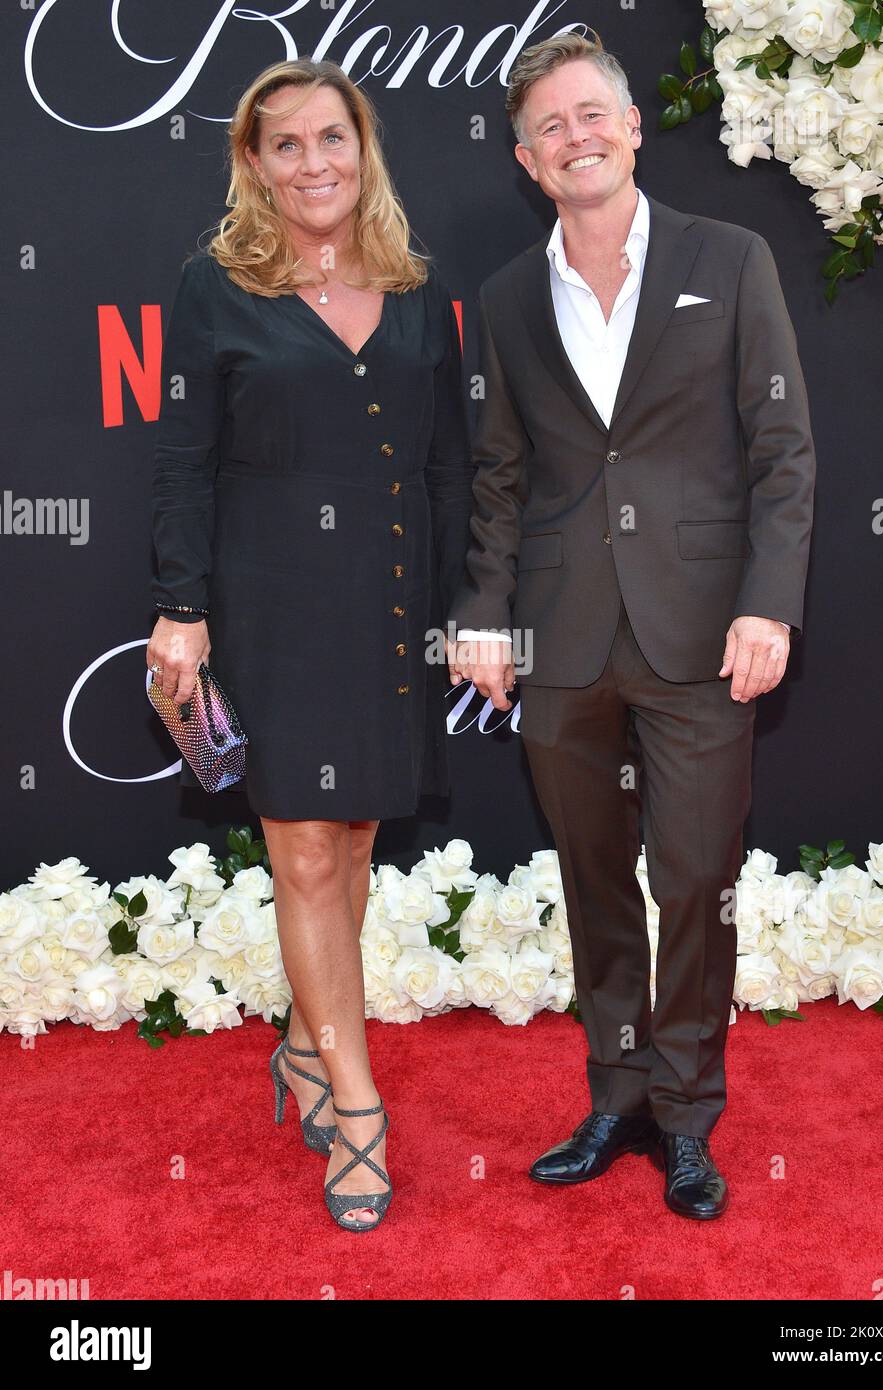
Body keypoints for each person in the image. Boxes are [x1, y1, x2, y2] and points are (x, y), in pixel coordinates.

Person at [447, 33, 815, 1220]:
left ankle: (689, 1112)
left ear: (633, 125)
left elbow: (782, 452)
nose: (577, 135)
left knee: (695, 877)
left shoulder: (733, 256)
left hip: (704, 630)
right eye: (550, 125)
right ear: (526, 158)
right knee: (595, 876)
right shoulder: (505, 298)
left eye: (593, 112)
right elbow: (496, 477)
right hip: (561, 640)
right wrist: (484, 615)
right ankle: (618, 1092)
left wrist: (769, 600)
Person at [147, 57, 473, 1231]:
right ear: (254, 162)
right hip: (271, 603)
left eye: (331, 137)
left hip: (387, 600)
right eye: (284, 144)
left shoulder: (418, 284)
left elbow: (448, 462)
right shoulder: (213, 285)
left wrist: (460, 603)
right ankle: (357, 1103)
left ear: (362, 147)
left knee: (360, 841)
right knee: (306, 857)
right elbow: (184, 457)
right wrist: (181, 605)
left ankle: (299, 1043)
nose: (313, 161)